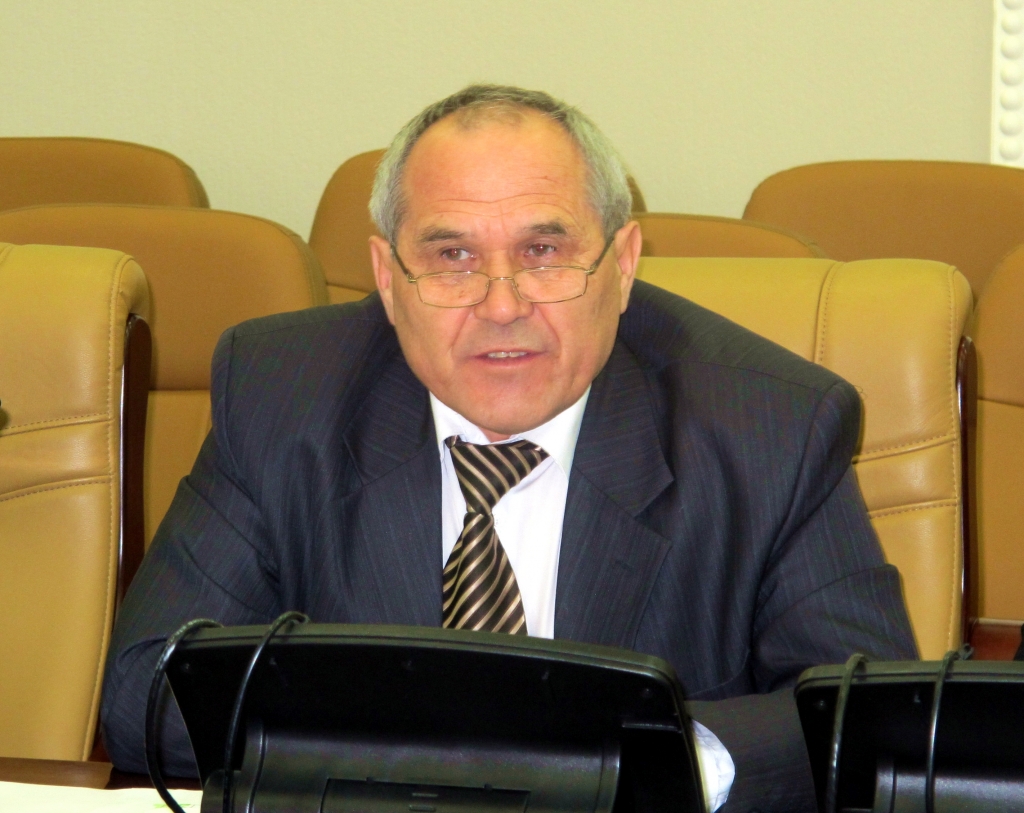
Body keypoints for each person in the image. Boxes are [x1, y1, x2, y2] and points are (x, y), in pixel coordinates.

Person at [101, 85, 916, 812]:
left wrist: (655, 766)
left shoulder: (770, 426)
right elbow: (147, 690)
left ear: (623, 265)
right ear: (387, 277)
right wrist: (450, 763)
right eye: (452, 256)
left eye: (543, 251)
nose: (501, 304)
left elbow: (870, 726)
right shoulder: (282, 394)